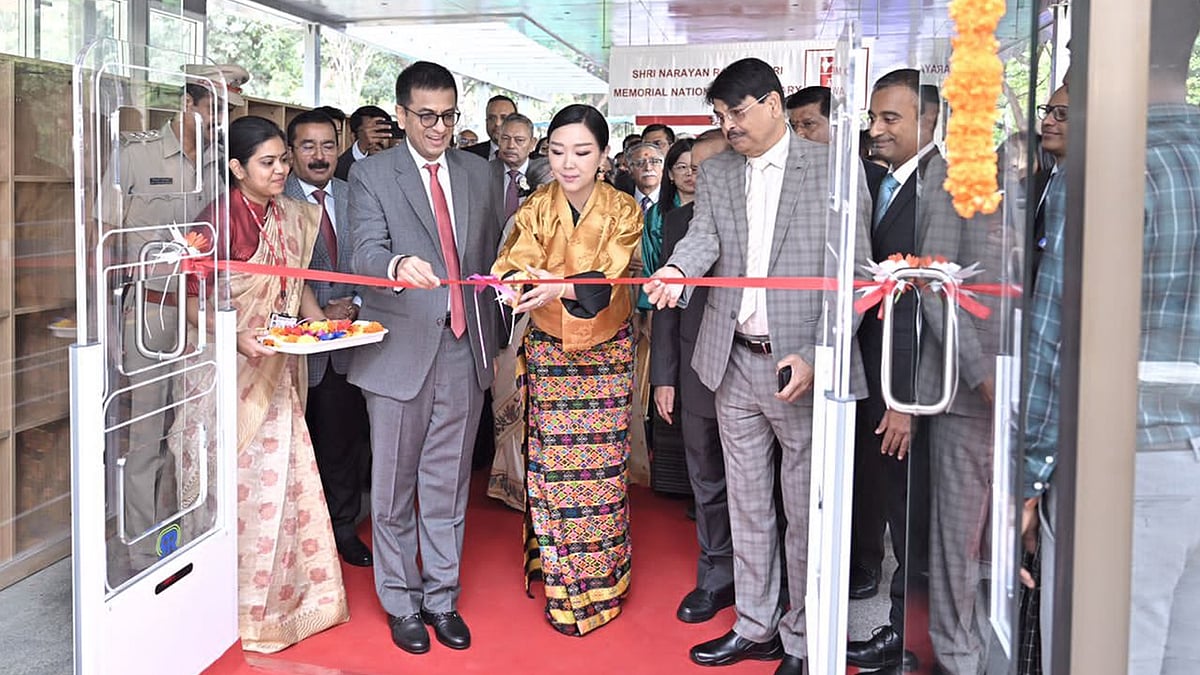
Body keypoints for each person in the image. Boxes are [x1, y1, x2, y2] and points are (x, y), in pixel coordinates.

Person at [645, 58, 871, 675]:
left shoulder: (832, 167)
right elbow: (703, 242)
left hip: (798, 366)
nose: (728, 126)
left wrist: (821, 351)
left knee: (803, 511)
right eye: (719, 116)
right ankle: (755, 624)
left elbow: (855, 275)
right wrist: (675, 272)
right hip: (734, 359)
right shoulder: (718, 173)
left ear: (772, 104)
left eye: (736, 113)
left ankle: (801, 638)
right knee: (746, 504)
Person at [346, 60, 500, 655]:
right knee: (390, 488)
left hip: (466, 346)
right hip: (399, 351)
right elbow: (362, 247)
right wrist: (391, 267)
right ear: (403, 114)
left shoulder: (480, 174)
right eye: (427, 116)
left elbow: (496, 250)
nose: (439, 128)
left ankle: (441, 597)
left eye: (449, 115)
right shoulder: (373, 176)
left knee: (446, 483)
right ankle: (400, 601)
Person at [181, 115, 349, 653]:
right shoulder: (214, 222)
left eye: (283, 160)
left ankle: (281, 604)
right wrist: (235, 338)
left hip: (278, 370)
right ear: (237, 168)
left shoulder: (291, 217)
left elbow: (294, 288)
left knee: (284, 485)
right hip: (227, 376)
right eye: (269, 162)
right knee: (239, 490)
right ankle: (226, 607)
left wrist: (323, 328)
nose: (282, 170)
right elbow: (191, 306)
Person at [492, 103, 643, 636]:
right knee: (553, 472)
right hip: (551, 351)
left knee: (601, 474)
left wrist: (563, 285)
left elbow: (615, 271)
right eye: (556, 152)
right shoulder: (536, 206)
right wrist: (513, 281)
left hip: (606, 353)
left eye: (582, 152)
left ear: (603, 155)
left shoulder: (624, 209)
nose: (568, 163)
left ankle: (602, 582)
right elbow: (514, 258)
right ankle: (562, 586)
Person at [104, 63, 246, 578]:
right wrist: (103, 313)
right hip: (155, 310)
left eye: (230, 110)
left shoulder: (225, 161)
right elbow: (100, 232)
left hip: (208, 314)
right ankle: (143, 549)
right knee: (147, 429)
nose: (221, 119)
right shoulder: (136, 154)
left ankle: (190, 533)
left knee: (196, 428)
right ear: (188, 105)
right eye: (215, 108)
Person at [650, 128, 736, 623]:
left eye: (712, 167)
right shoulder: (678, 220)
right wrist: (664, 375)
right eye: (694, 168)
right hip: (694, 364)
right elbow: (665, 308)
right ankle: (715, 574)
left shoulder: (758, 219)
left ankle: (769, 577)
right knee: (706, 479)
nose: (701, 178)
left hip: (751, 364)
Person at [283, 109, 373, 568]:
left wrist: (354, 302)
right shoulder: (275, 198)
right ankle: (296, 539)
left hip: (348, 340)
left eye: (327, 146)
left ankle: (343, 528)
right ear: (290, 152)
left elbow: (374, 253)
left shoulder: (356, 193)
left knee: (343, 442)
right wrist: (316, 317)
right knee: (295, 447)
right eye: (307, 146)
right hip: (293, 349)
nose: (319, 156)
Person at [335, 105, 392, 181]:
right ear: (353, 137)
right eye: (368, 133)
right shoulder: (339, 167)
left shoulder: (398, 166)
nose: (376, 139)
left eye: (381, 132)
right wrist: (361, 149)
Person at [462, 94, 517, 159]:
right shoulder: (467, 155)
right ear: (486, 121)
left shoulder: (529, 158)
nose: (497, 123)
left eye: (504, 118)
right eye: (492, 118)